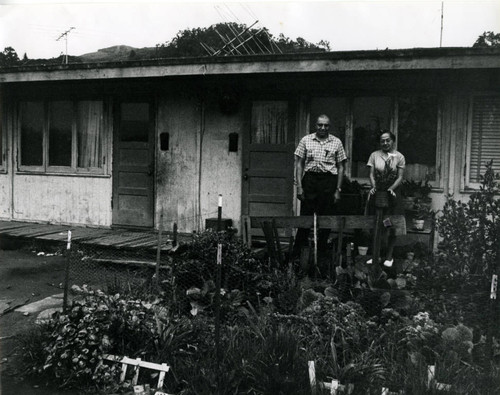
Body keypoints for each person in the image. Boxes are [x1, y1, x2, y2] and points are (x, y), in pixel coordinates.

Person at [293, 114, 347, 256]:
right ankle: (298, 254)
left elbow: (341, 167)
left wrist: (338, 189)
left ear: (329, 126)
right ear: (315, 125)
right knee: (305, 218)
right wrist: (299, 186)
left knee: (326, 220)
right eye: (320, 125)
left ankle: (321, 255)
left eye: (326, 125)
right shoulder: (306, 140)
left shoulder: (337, 142)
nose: (323, 128)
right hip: (310, 181)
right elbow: (299, 164)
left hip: (329, 182)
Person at [366, 131, 405, 268]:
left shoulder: (399, 157)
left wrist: (391, 189)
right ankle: (375, 254)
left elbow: (400, 177)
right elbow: (371, 174)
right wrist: (374, 187)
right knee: (376, 224)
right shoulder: (374, 155)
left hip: (392, 193)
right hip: (378, 192)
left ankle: (389, 255)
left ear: (392, 141)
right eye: (382, 141)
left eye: (388, 140)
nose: (385, 143)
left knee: (389, 224)